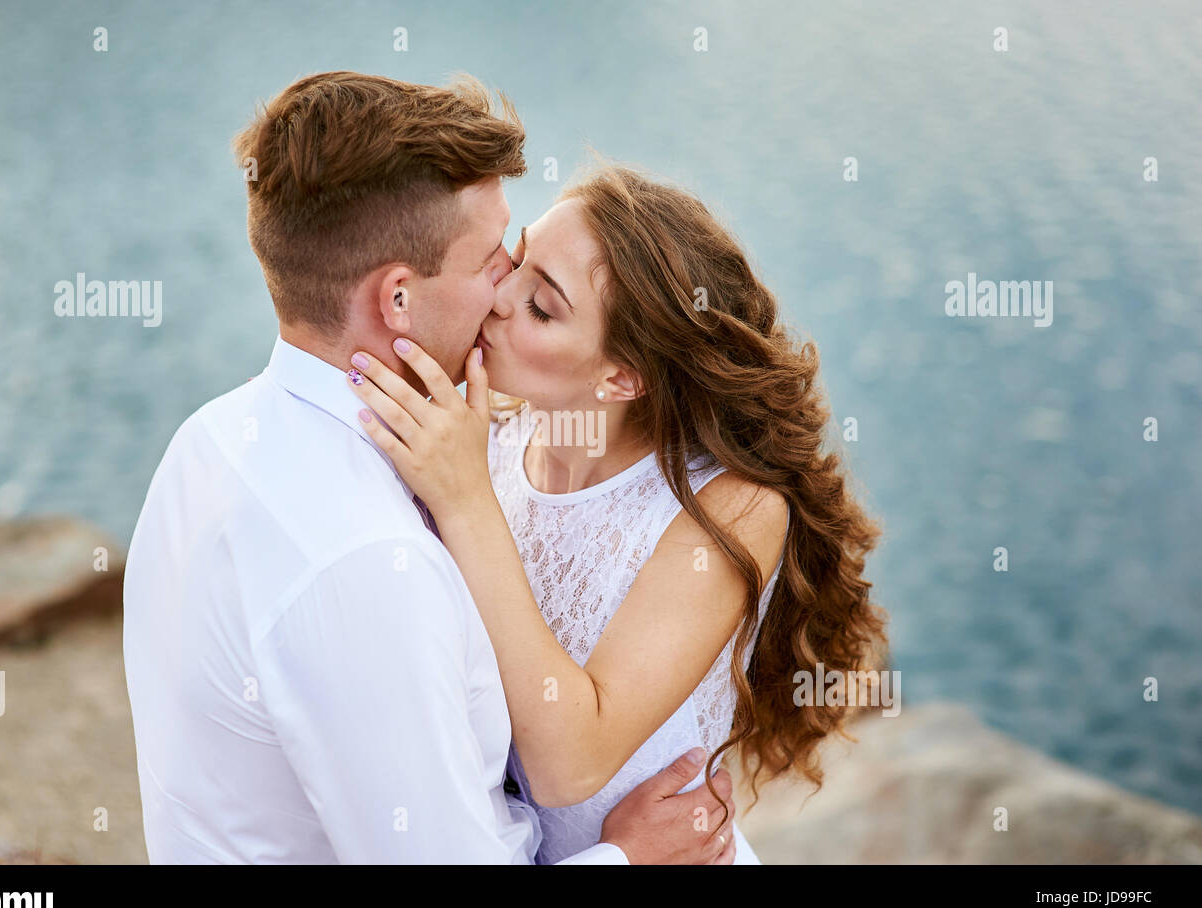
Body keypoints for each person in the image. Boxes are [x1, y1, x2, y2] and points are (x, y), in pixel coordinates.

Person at [122, 71, 737, 864]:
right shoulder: (372, 562)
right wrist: (628, 859)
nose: (504, 286)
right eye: (491, 261)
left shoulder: (207, 440)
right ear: (398, 300)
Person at [343, 164, 890, 863]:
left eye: (542, 307)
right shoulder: (490, 434)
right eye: (518, 256)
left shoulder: (731, 508)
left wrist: (465, 498)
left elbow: (567, 762)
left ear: (622, 377)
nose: (498, 296)